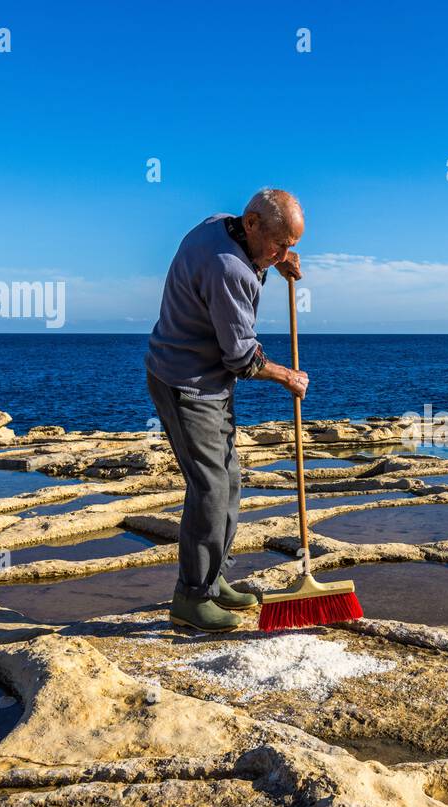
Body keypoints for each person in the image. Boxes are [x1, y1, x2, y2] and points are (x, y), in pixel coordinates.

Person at [144, 188, 309, 631]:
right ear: (252, 223)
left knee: (230, 480)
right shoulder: (229, 268)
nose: (283, 253)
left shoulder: (221, 224)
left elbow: (249, 263)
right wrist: (287, 377)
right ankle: (191, 597)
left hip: (204, 380)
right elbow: (242, 358)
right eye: (279, 243)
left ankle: (214, 580)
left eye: (291, 245)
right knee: (211, 489)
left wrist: (275, 261)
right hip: (187, 385)